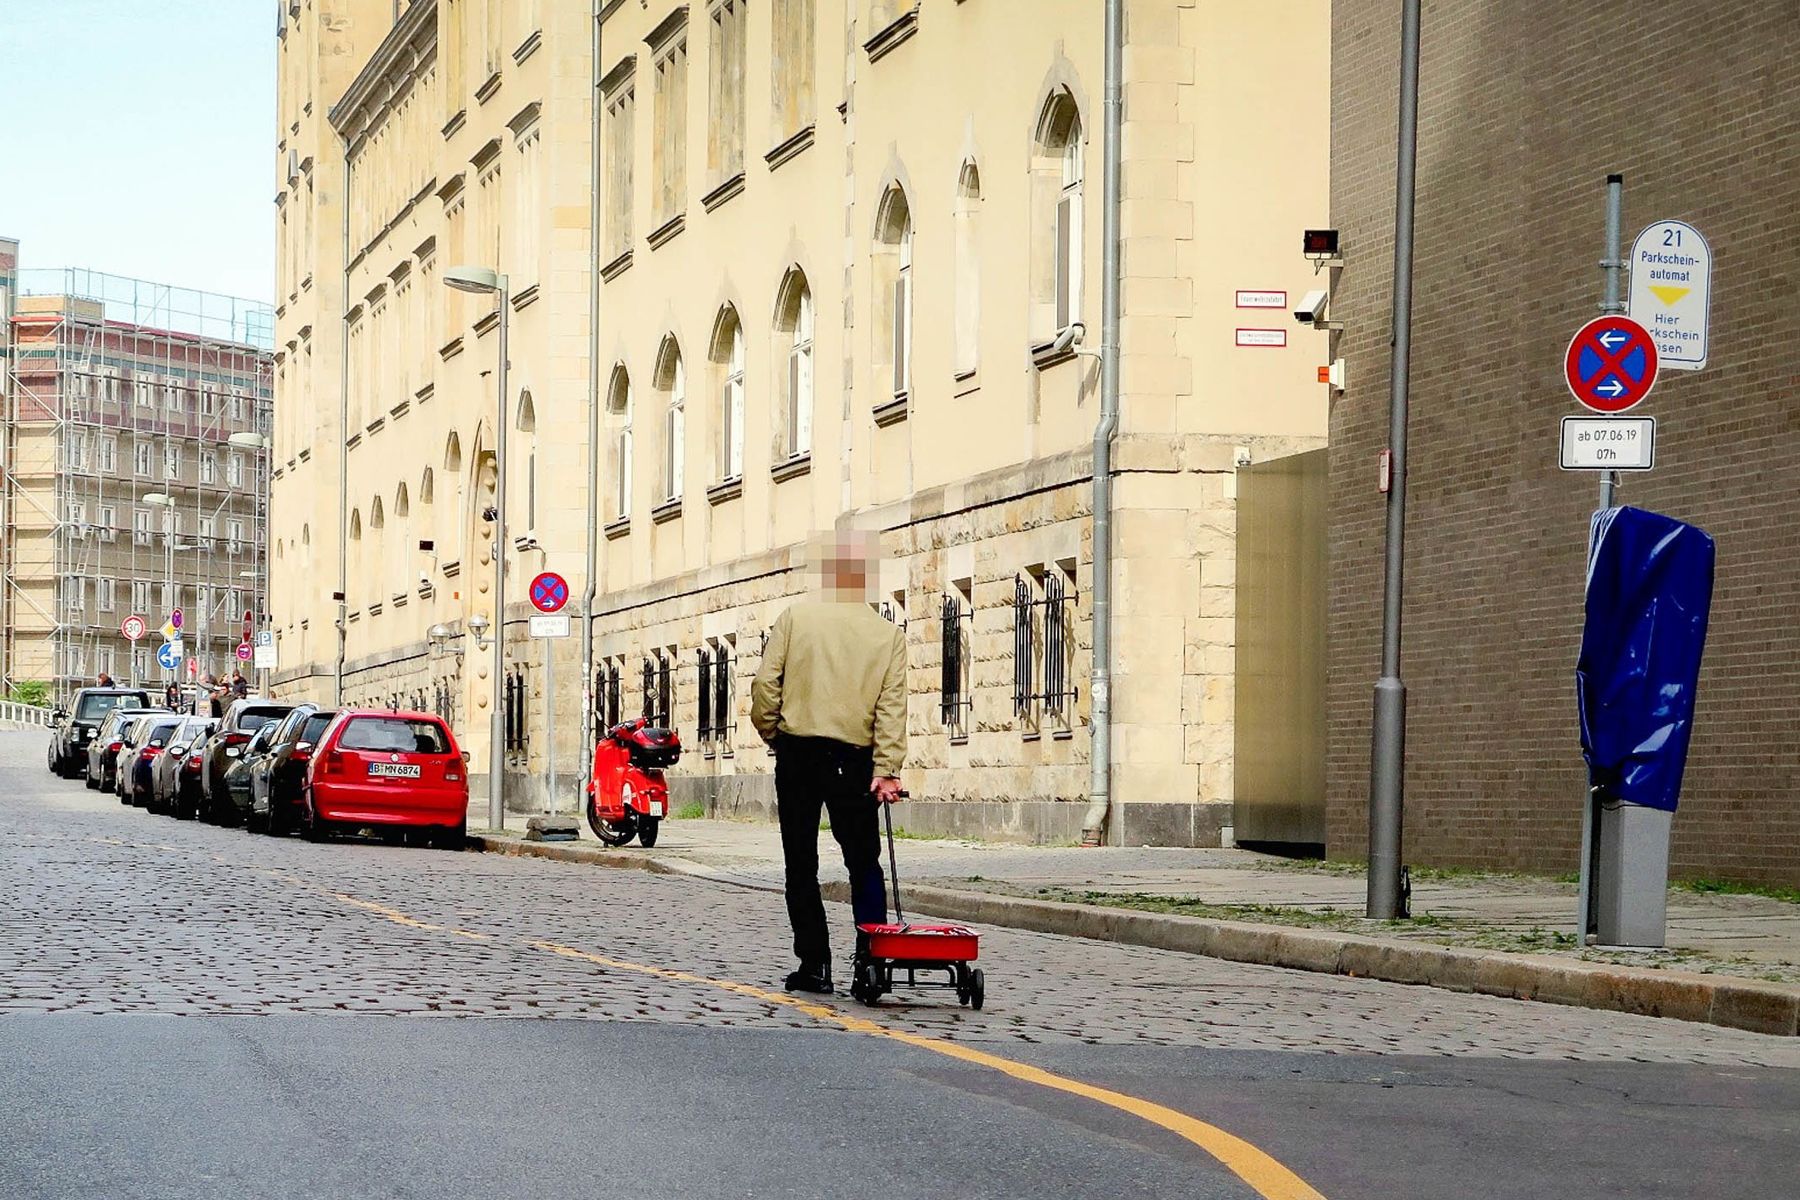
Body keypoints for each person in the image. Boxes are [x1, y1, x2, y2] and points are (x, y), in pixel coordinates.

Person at [751, 529, 907, 995]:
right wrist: (887, 768)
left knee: (801, 862)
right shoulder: (887, 635)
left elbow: (765, 687)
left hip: (798, 754)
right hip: (855, 761)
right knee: (864, 861)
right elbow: (891, 708)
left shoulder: (795, 618)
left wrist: (772, 731)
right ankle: (872, 963)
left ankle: (815, 964)